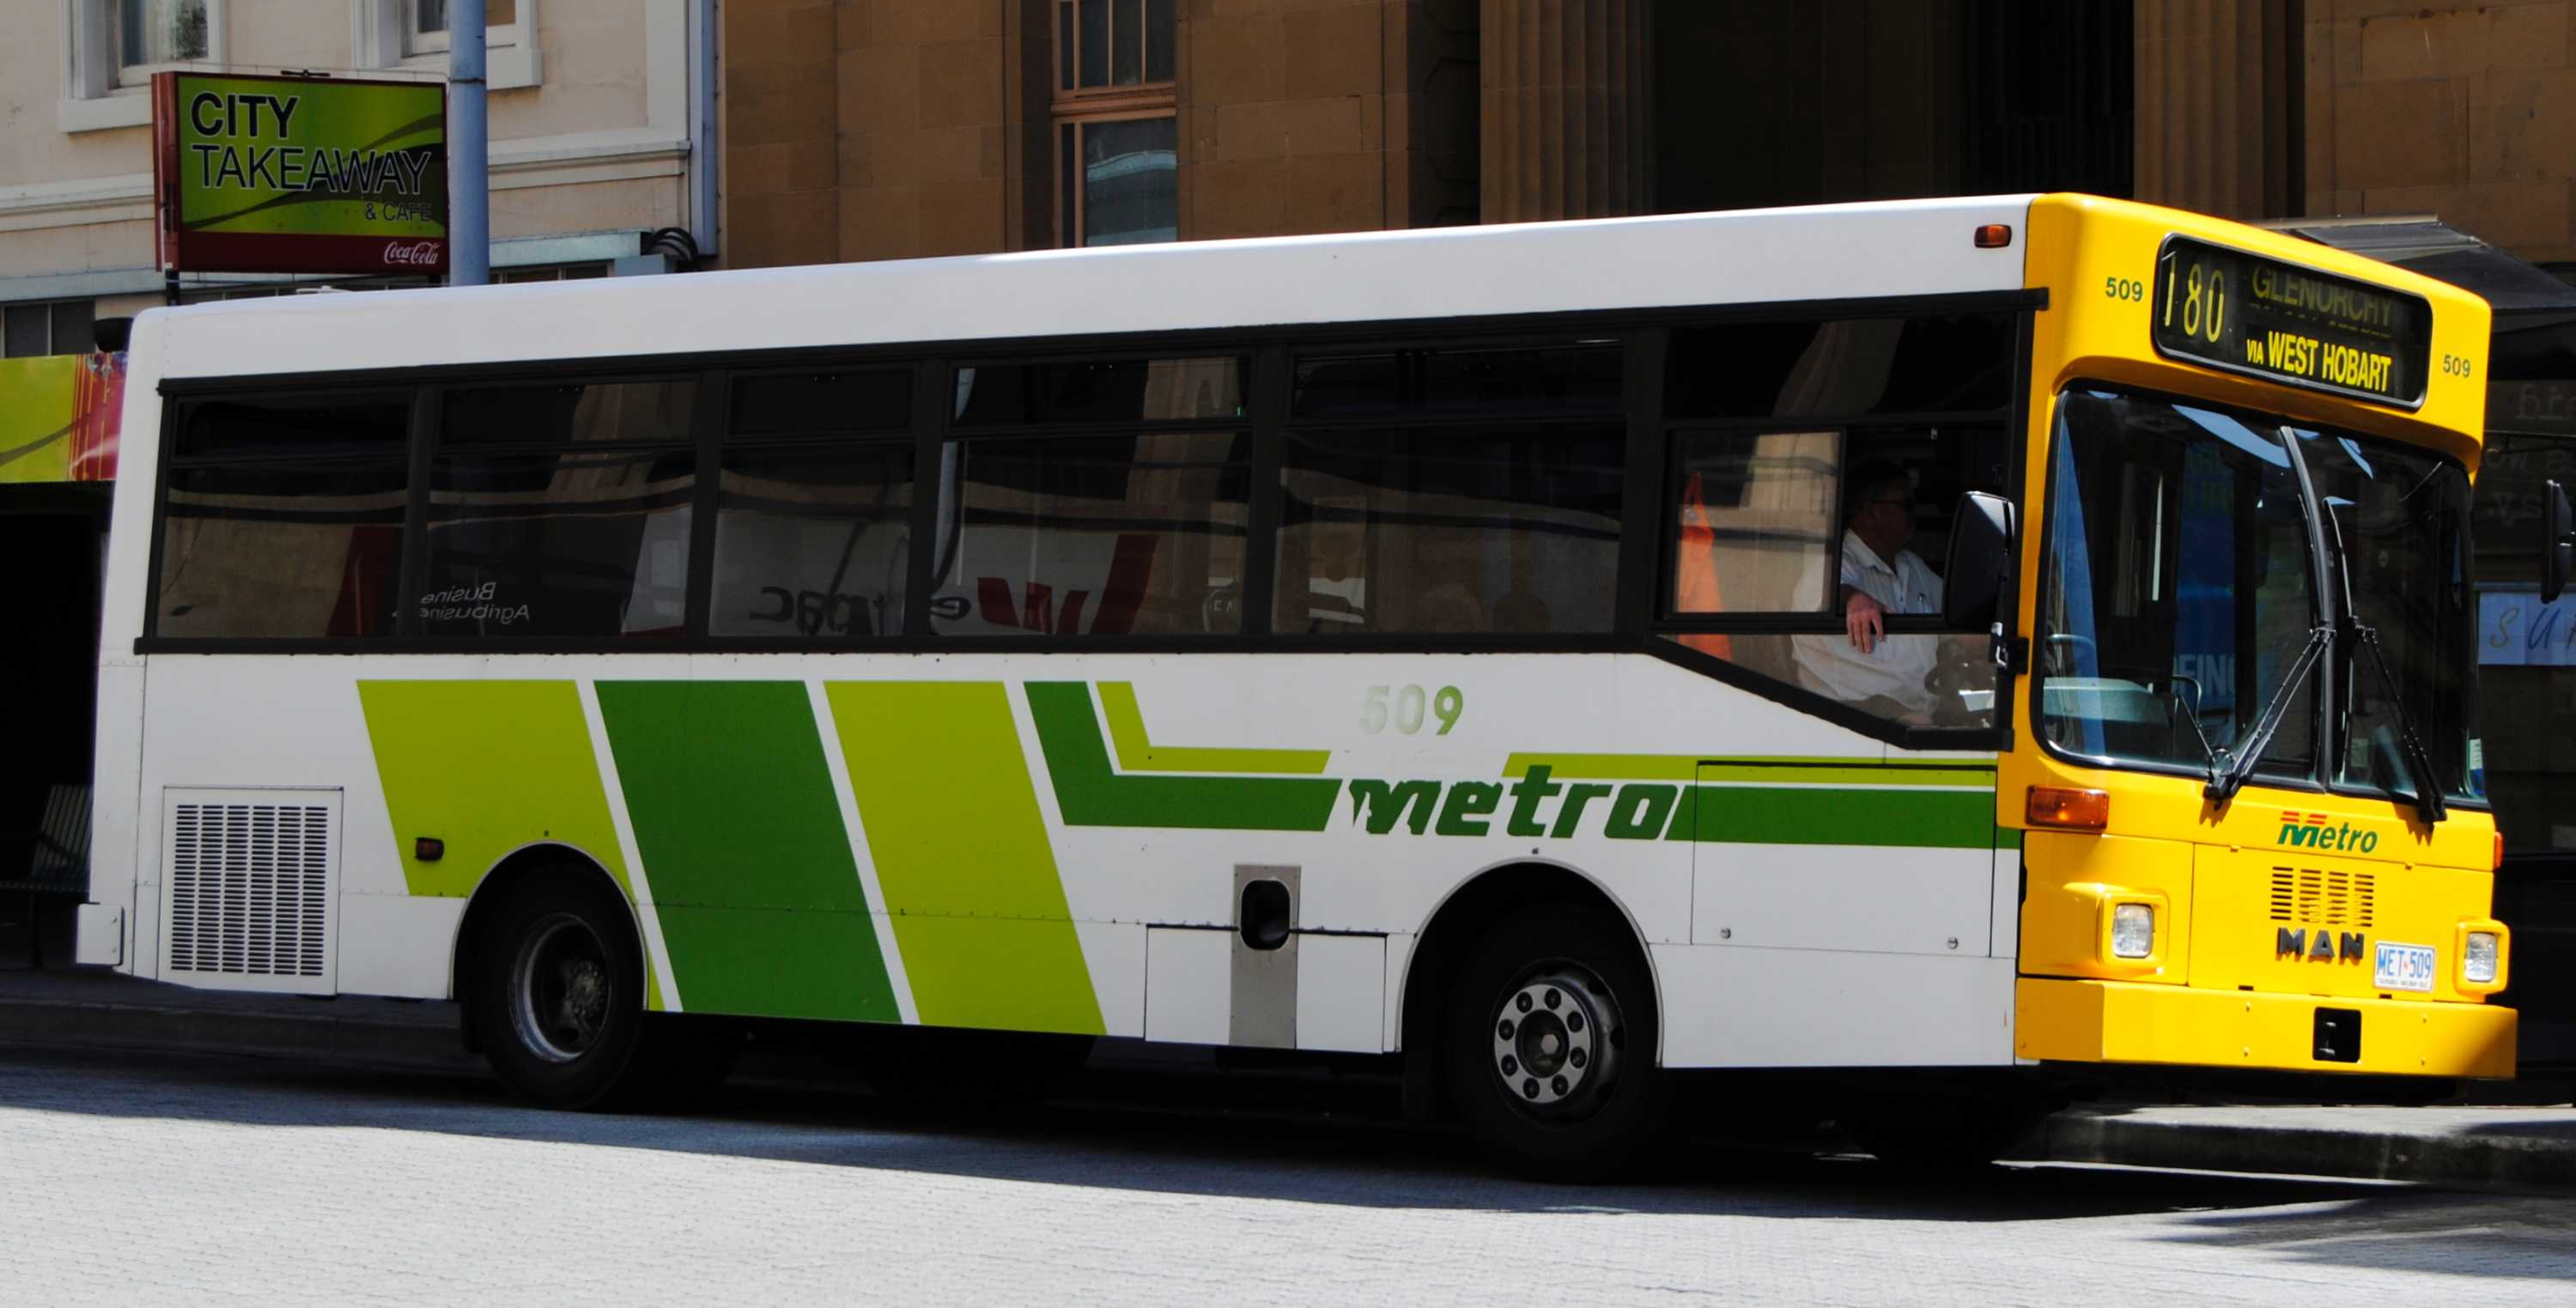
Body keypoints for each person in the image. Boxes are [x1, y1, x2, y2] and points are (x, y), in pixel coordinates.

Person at [1793, 460, 1947, 721]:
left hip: (1924, 714)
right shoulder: (1834, 563)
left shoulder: (1911, 565)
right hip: (1859, 725)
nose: (1914, 514)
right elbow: (1827, 593)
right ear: (1870, 513)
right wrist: (1854, 599)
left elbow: (1955, 616)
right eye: (1906, 505)